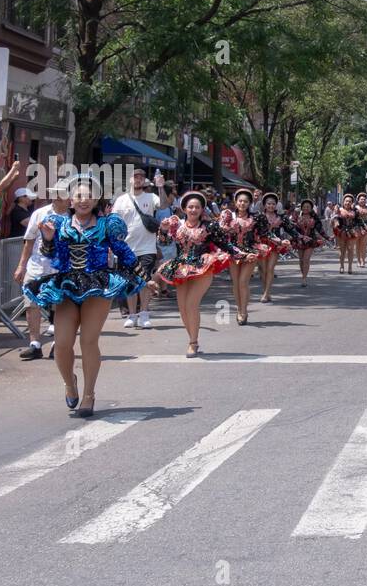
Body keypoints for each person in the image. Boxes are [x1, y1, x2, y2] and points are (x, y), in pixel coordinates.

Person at [28, 177, 149, 416]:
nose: (84, 200)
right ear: (70, 200)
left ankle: (88, 394)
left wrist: (144, 277)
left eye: (89, 196)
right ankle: (69, 383)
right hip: (67, 286)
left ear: (95, 200)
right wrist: (49, 240)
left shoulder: (107, 224)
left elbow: (123, 251)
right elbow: (50, 254)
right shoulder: (59, 224)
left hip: (97, 285)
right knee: (62, 343)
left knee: (88, 341)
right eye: (79, 196)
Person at [149, 191, 241, 358]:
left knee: (191, 304)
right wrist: (163, 230)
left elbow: (224, 243)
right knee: (183, 308)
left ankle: (193, 342)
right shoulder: (176, 224)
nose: (193, 210)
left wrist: (240, 253)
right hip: (181, 267)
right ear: (184, 208)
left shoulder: (209, 226)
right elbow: (165, 242)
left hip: (202, 266)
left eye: (197, 207)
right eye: (190, 207)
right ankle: (192, 339)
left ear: (202, 209)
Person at [12, 185, 69, 360]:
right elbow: (29, 241)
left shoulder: (74, 217)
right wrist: (21, 266)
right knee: (31, 304)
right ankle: (35, 344)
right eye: (55, 193)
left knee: (60, 307)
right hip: (37, 266)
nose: (57, 197)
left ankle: (56, 345)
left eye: (61, 194)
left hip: (62, 268)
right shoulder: (39, 213)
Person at [219, 189, 272, 325]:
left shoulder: (256, 217)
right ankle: (239, 309)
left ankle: (243, 310)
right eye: (240, 201)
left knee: (243, 282)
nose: (242, 203)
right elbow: (220, 235)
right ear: (236, 202)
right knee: (236, 283)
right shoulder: (228, 217)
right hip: (233, 252)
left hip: (250, 252)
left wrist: (279, 240)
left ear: (249, 203)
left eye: (246, 201)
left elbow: (266, 233)